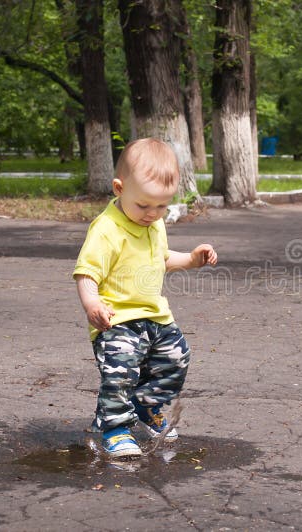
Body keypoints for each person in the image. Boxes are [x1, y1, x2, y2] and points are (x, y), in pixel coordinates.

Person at [73, 138, 217, 458]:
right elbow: (87, 273)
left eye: (161, 207)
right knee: (121, 372)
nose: (152, 214)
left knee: (177, 359)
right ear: (119, 188)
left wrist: (192, 259)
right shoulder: (106, 229)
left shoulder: (154, 224)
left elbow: (161, 259)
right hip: (117, 320)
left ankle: (145, 405)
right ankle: (115, 428)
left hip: (155, 317)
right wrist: (92, 304)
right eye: (144, 205)